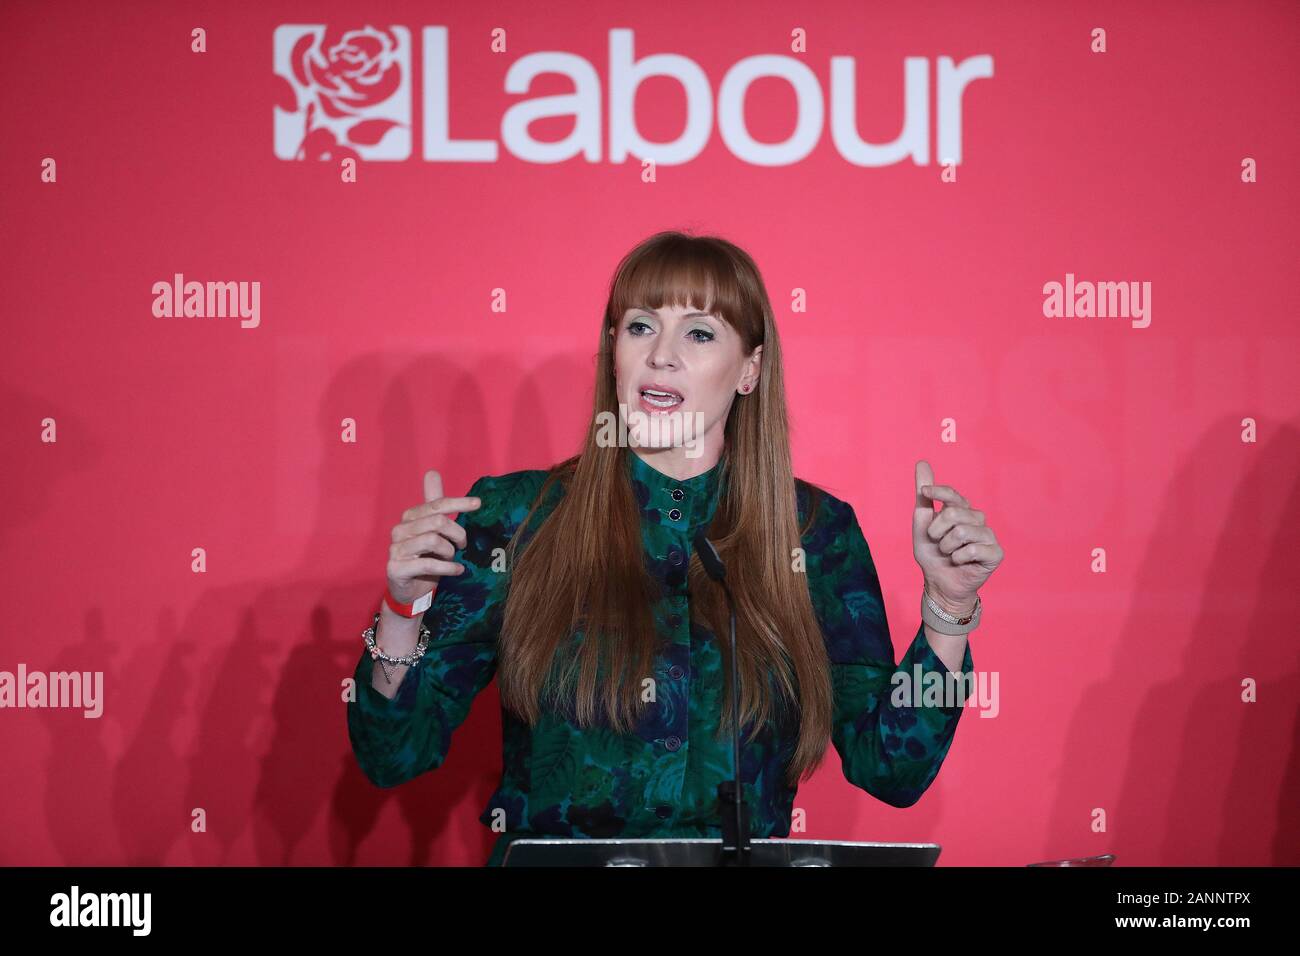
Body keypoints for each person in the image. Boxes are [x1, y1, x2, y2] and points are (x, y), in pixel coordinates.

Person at [346, 230, 1004, 866]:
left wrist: (947, 611)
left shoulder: (815, 531)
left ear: (749, 370)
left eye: (699, 332)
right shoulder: (516, 516)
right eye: (640, 326)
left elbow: (892, 768)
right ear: (614, 350)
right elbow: (393, 754)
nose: (662, 354)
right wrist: (402, 612)